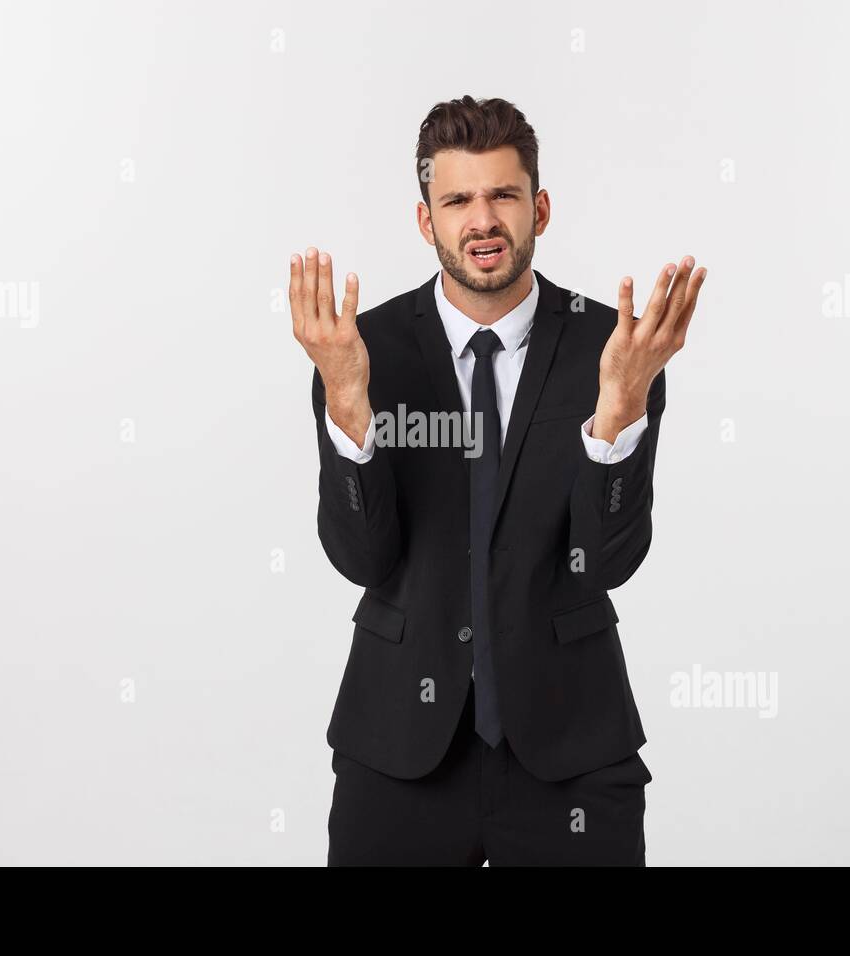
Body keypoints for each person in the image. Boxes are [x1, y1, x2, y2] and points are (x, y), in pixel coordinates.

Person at [288, 95, 707, 865]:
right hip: (399, 748)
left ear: (538, 207)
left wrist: (617, 411)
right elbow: (362, 561)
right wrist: (348, 400)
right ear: (426, 222)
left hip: (571, 747)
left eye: (503, 195)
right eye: (457, 200)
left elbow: (607, 563)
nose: (482, 220)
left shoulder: (609, 351)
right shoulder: (361, 349)